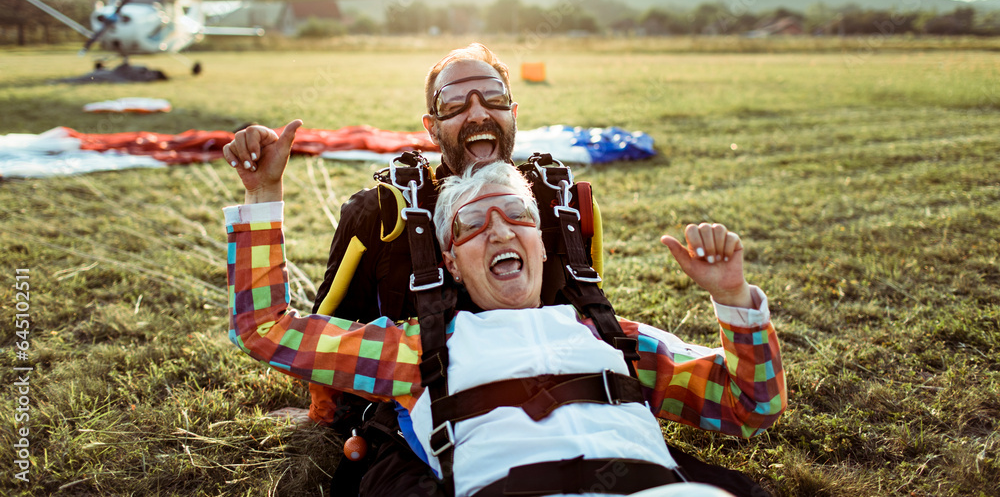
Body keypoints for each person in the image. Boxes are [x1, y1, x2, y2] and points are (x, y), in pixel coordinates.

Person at [223, 125, 787, 495]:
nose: (499, 230)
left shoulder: (614, 340)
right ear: (451, 261)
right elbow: (266, 329)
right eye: (472, 223)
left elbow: (750, 405)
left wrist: (733, 298)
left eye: (518, 215)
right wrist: (262, 194)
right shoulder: (417, 348)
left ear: (540, 244)